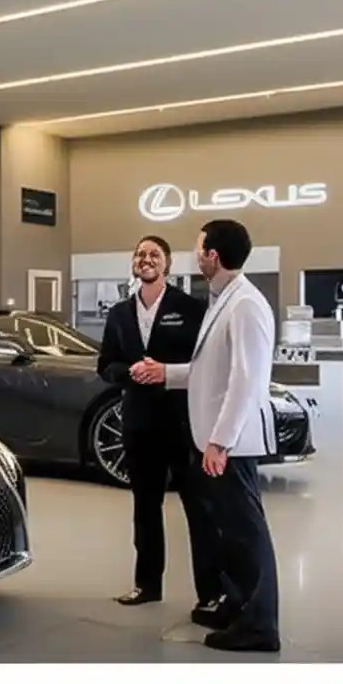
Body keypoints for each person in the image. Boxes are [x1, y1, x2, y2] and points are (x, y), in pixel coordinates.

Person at [131, 219, 281, 653]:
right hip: (215, 440)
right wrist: (167, 373)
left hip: (230, 444)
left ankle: (259, 626)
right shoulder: (224, 299)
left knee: (247, 534)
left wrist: (221, 441)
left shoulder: (246, 305)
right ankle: (236, 604)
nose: (196, 255)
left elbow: (247, 381)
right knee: (229, 532)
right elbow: (211, 369)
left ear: (213, 255)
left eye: (199, 249)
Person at [96, 235, 221, 619]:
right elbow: (105, 366)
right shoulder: (119, 313)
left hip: (184, 423)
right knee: (145, 508)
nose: (145, 259)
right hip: (139, 424)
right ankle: (147, 585)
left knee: (199, 509)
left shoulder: (191, 308)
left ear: (167, 264)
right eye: (140, 254)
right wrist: (130, 372)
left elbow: (208, 363)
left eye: (154, 254)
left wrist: (166, 372)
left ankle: (211, 593)